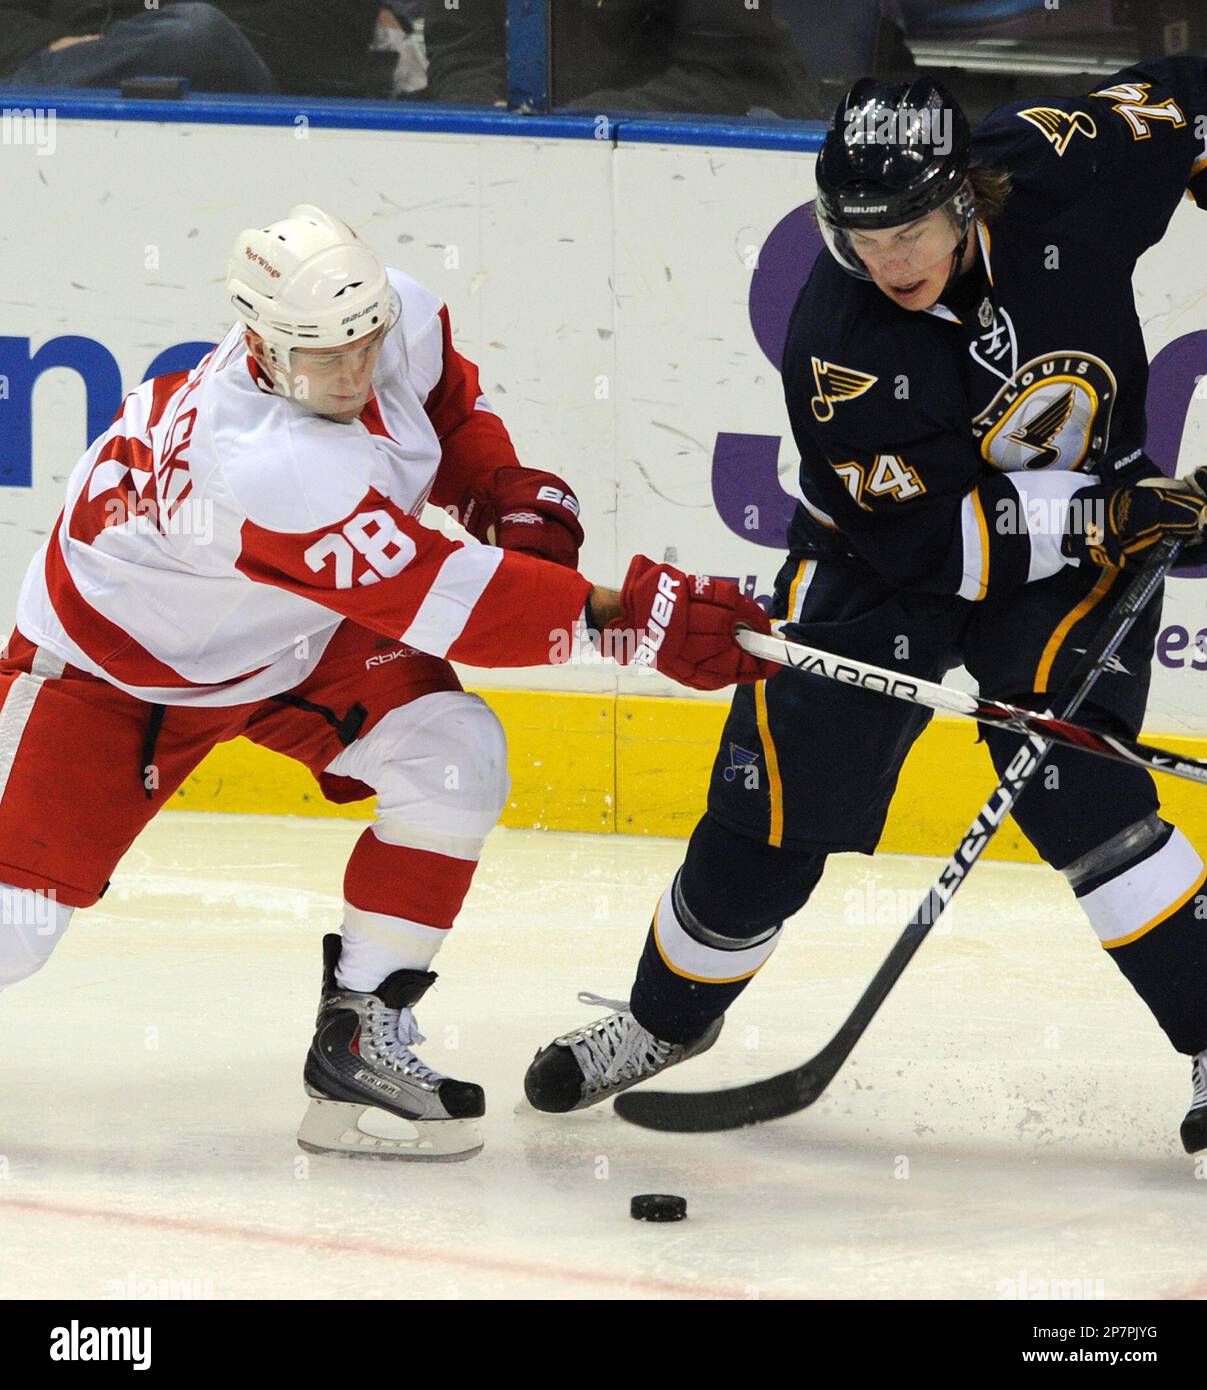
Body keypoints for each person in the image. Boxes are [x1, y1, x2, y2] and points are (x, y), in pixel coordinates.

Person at [524, 59, 1207, 1155]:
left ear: (962, 195)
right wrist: (1110, 516)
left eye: (907, 233)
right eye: (859, 235)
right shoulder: (835, 344)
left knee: (1082, 792)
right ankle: (663, 1021)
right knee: (772, 816)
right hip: (887, 563)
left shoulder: (1066, 163)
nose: (886, 260)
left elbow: (1188, 90)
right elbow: (933, 544)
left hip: (1083, 549)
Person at [0, 204, 774, 1160]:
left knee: (453, 756)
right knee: (15, 928)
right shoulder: (266, 463)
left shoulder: (389, 318)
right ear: (260, 344)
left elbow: (446, 407)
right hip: (114, 668)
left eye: (366, 344)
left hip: (284, 634)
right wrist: (638, 620)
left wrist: (499, 487)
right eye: (327, 358)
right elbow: (452, 603)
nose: (357, 373)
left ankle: (358, 1040)